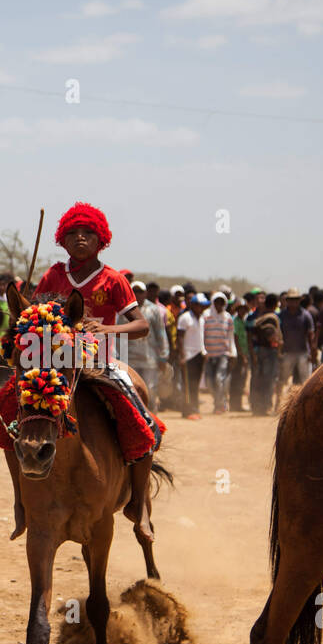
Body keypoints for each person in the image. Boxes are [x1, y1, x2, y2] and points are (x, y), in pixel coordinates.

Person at [23, 201, 158, 540]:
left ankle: (139, 507)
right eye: (72, 234)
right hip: (54, 364)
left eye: (88, 233)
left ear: (101, 241)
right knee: (7, 411)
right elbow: (34, 317)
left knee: (144, 421)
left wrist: (109, 331)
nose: (80, 238)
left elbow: (141, 325)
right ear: (62, 240)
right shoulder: (53, 275)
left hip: (99, 364)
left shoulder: (113, 280)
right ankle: (19, 504)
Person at [124, 279, 168, 410]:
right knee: (131, 392)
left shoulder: (153, 310)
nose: (138, 294)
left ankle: (152, 420)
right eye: (135, 291)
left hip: (149, 359)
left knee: (150, 390)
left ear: (145, 293)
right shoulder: (124, 310)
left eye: (140, 292)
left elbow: (161, 333)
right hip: (129, 359)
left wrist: (163, 356)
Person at [202, 292, 235, 413]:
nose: (219, 305)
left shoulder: (228, 318)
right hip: (209, 354)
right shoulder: (205, 316)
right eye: (217, 302)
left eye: (222, 303)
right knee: (209, 382)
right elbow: (202, 334)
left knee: (218, 379)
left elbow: (230, 336)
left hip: (223, 354)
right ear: (213, 303)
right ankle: (220, 401)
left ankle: (219, 405)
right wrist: (203, 350)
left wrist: (233, 353)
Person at [176, 293, 207, 419]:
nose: (202, 308)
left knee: (195, 384)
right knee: (188, 384)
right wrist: (182, 356)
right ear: (194, 305)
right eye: (200, 306)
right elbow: (180, 338)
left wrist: (204, 351)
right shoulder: (185, 318)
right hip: (188, 356)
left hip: (199, 354)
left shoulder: (201, 318)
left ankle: (194, 408)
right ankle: (187, 411)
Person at [279, 288, 316, 387]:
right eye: (290, 300)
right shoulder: (282, 315)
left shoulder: (306, 315)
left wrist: (312, 353)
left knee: (306, 381)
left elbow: (310, 334)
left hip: (303, 352)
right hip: (287, 352)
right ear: (287, 301)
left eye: (295, 299)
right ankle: (278, 400)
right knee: (283, 379)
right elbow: (278, 334)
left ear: (299, 300)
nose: (293, 302)